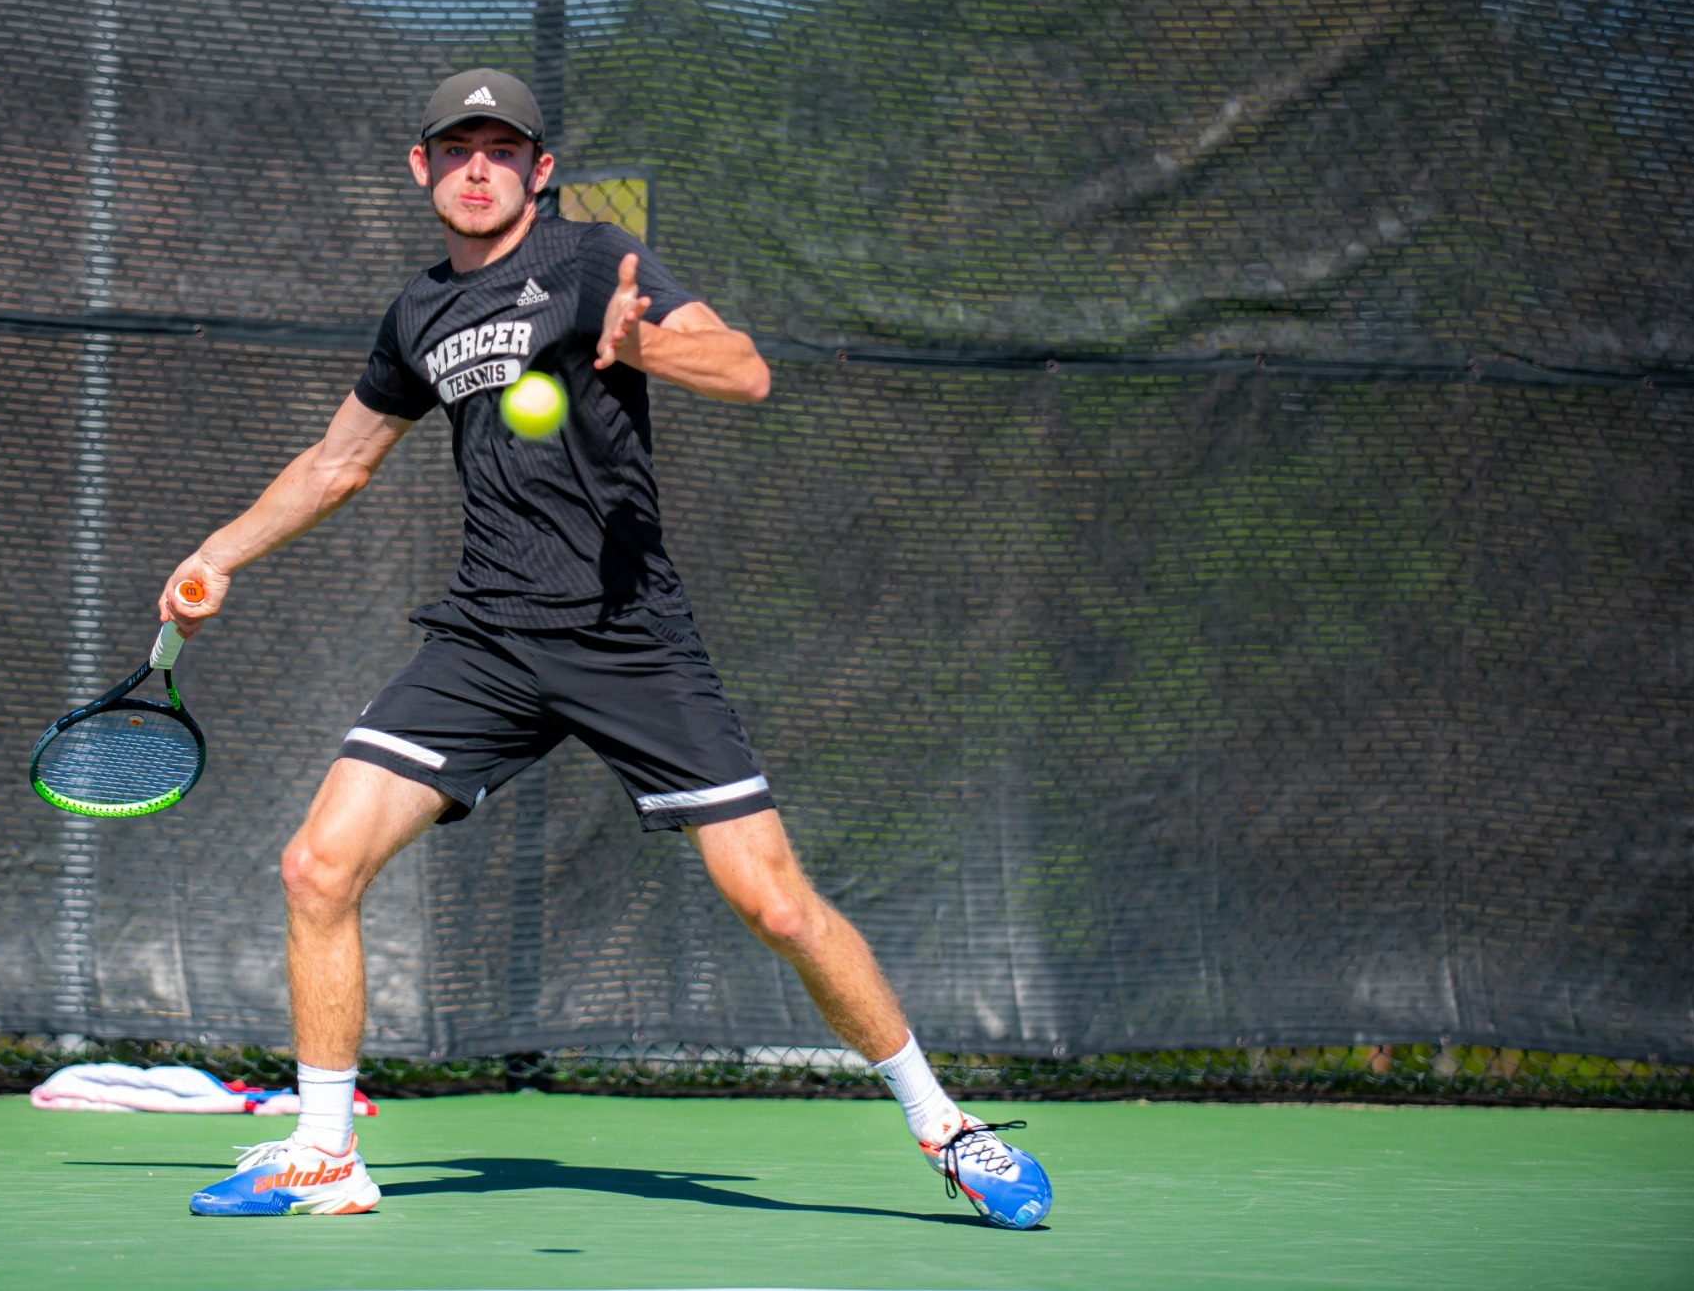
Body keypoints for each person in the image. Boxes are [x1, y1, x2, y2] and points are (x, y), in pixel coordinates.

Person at [161, 69, 1044, 1222]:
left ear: (540, 168)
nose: (478, 167)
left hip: (628, 637)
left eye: (502, 148)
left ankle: (947, 1124)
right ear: (420, 167)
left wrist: (643, 348)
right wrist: (218, 551)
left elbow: (744, 366)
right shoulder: (417, 313)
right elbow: (339, 460)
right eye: (455, 148)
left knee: (775, 904)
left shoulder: (590, 262)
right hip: (486, 637)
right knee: (315, 864)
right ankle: (321, 1150)